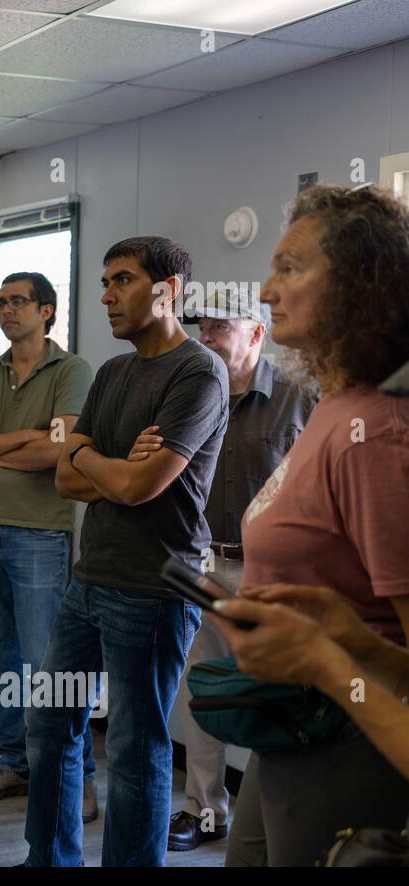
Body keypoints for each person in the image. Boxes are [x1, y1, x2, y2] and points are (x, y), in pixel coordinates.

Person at [214, 184, 409, 867]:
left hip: (352, 728)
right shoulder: (335, 403)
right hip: (292, 717)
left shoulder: (375, 432)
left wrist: (334, 657)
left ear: (360, 285)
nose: (267, 290)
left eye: (291, 268)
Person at [26, 236, 228, 867]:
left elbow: (141, 487)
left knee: (135, 752)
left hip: (155, 588)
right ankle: (48, 860)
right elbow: (67, 480)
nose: (107, 296)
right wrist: (103, 462)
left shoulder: (200, 372)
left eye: (123, 280)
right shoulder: (113, 372)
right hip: (91, 579)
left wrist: (85, 452)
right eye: (105, 283)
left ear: (167, 290)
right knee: (49, 726)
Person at [166, 287, 315, 853]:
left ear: (256, 333)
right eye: (201, 327)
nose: (205, 337)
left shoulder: (301, 396)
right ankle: (203, 810)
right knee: (204, 692)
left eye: (219, 327)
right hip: (202, 564)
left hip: (275, 573)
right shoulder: (192, 393)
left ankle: (268, 820)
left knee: (271, 695)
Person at [0, 273, 96, 812]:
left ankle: (75, 775)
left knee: (47, 661)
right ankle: (13, 763)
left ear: (46, 310)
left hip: (39, 532)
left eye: (18, 302)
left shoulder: (72, 370)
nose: (7, 311)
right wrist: (25, 438)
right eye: (0, 303)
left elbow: (59, 451)